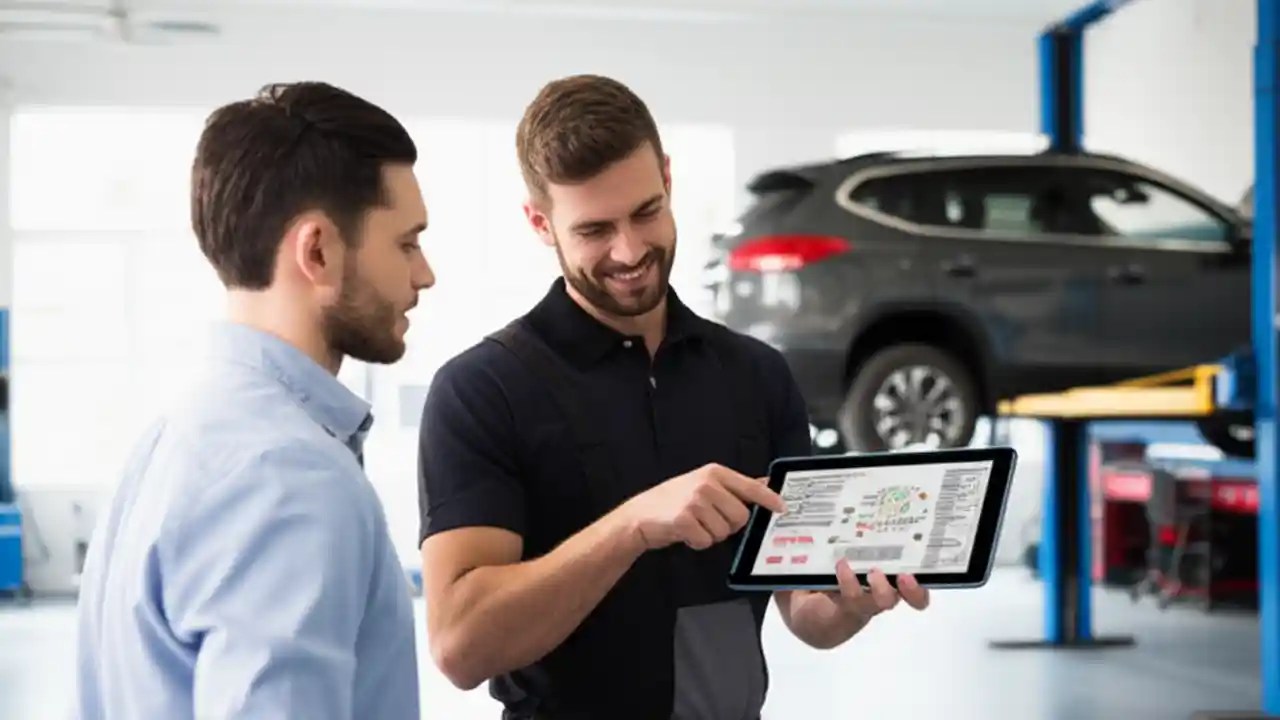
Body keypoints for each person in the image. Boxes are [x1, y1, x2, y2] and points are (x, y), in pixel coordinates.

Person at [417, 74, 930, 720]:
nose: (629, 251)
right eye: (594, 230)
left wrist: (848, 604)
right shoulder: (481, 391)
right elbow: (460, 646)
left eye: (645, 212)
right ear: (539, 222)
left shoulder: (757, 376)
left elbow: (805, 609)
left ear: (666, 177)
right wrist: (633, 526)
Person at [74, 81, 434, 720]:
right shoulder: (288, 476)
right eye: (406, 243)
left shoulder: (180, 436)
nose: (424, 273)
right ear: (317, 250)